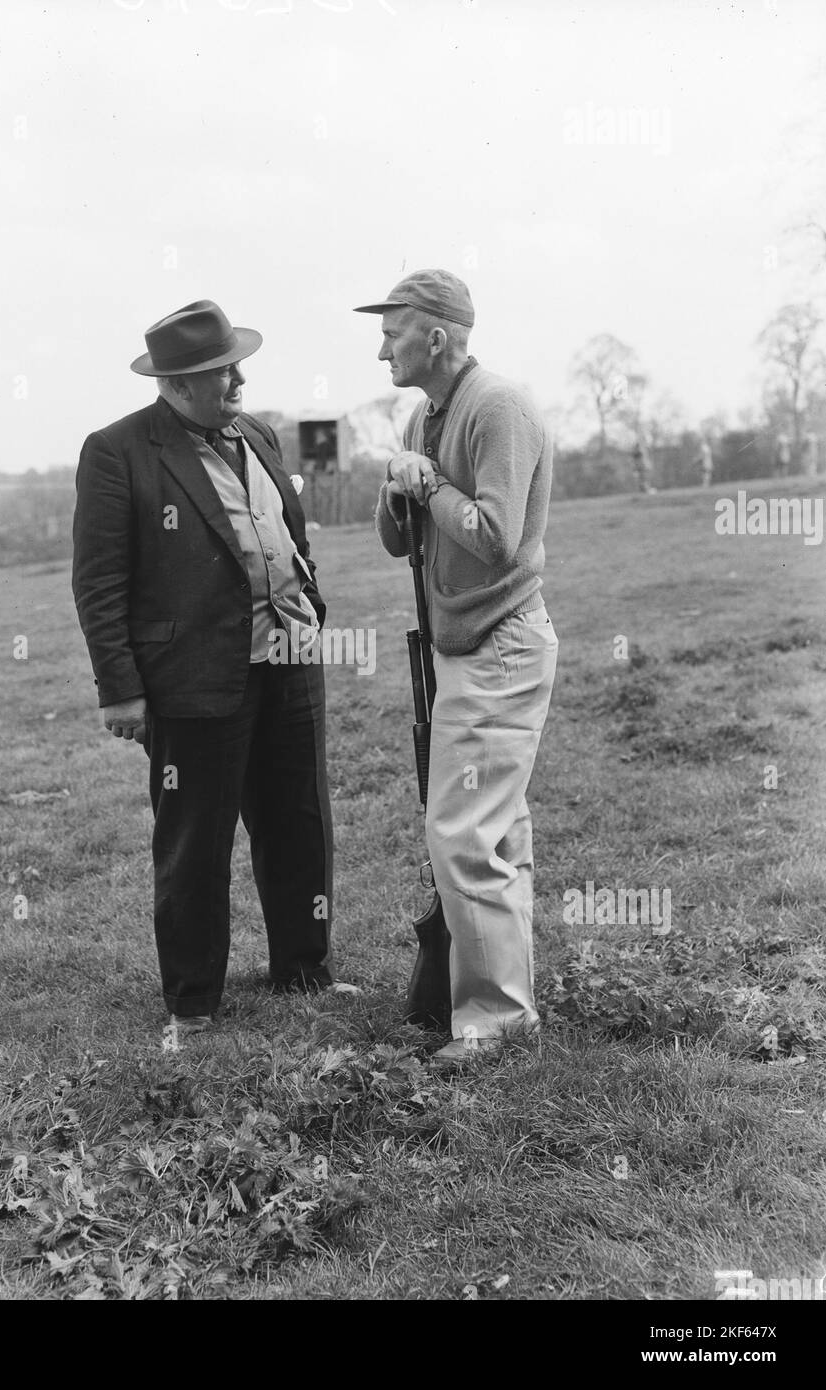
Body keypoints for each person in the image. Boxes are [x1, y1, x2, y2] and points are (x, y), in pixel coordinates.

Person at [72, 299, 355, 1042]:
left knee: (300, 824)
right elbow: (98, 584)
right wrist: (121, 690)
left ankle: (303, 970)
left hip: (288, 662)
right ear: (174, 384)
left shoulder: (257, 432)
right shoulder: (116, 451)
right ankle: (193, 1004)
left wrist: (310, 608)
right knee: (195, 843)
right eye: (217, 370)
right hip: (192, 679)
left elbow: (289, 536)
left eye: (234, 363)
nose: (235, 378)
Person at [357, 269, 558, 1067]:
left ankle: (497, 1025)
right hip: (462, 649)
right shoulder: (423, 413)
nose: (382, 350)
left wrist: (430, 481)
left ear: (435, 337)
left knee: (463, 837)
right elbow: (401, 540)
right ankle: (503, 1003)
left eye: (392, 332)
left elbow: (498, 538)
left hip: (500, 645)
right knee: (491, 832)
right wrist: (396, 488)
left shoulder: (497, 407)